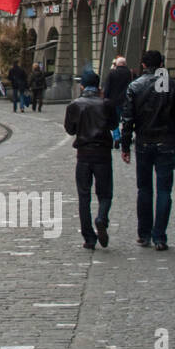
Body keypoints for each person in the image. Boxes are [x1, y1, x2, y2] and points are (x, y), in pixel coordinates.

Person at [120, 50, 175, 250]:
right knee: (164, 190)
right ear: (161, 64)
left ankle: (144, 235)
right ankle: (160, 236)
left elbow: (127, 120)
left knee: (144, 189)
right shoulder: (173, 84)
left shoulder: (135, 86)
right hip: (167, 142)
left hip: (143, 143)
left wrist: (125, 146)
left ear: (143, 65)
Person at [64, 71, 116, 249]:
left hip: (84, 155)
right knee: (105, 193)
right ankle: (101, 217)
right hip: (103, 154)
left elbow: (70, 130)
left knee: (84, 196)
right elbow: (114, 125)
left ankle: (89, 237)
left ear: (82, 86)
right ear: (98, 85)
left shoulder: (75, 105)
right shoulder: (106, 103)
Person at [105, 55, 133, 143]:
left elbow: (107, 87)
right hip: (126, 100)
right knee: (126, 120)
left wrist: (106, 99)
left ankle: (116, 137)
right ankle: (125, 137)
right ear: (125, 64)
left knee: (115, 120)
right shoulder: (129, 73)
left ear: (117, 64)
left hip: (114, 101)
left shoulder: (112, 73)